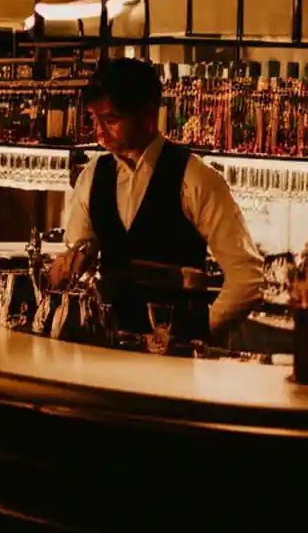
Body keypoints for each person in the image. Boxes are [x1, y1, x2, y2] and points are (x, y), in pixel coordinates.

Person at [50, 58, 263, 342]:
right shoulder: (92, 176)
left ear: (148, 117)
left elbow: (248, 278)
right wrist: (67, 265)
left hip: (177, 359)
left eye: (111, 121)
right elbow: (77, 254)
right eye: (93, 119)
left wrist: (202, 331)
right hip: (107, 350)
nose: (99, 131)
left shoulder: (195, 178)